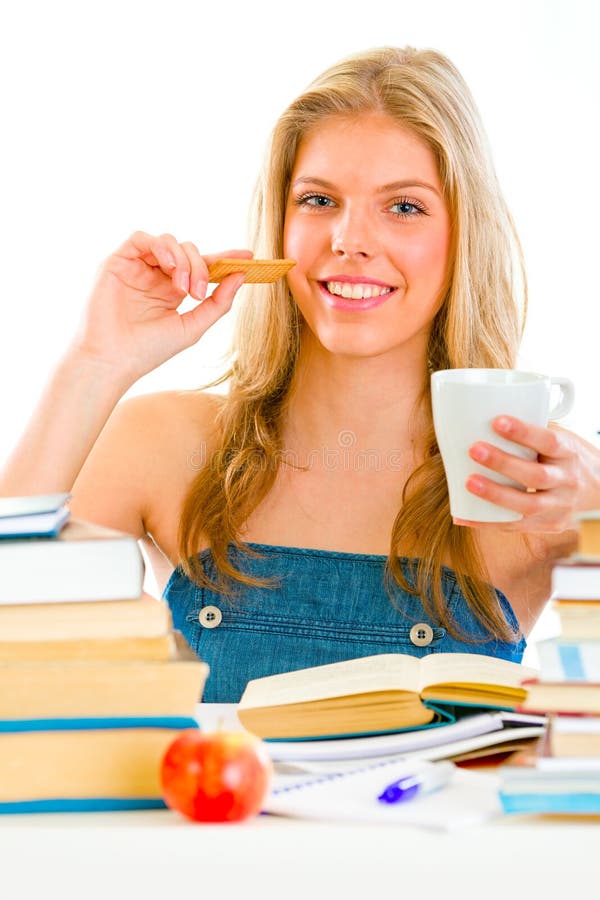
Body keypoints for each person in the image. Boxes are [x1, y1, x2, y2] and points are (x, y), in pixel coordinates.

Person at [1, 46, 599, 702]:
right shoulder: (165, 443)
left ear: (462, 236)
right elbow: (15, 630)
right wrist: (95, 363)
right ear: (279, 226)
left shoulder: (534, 492)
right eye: (318, 199)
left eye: (404, 207)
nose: (349, 239)